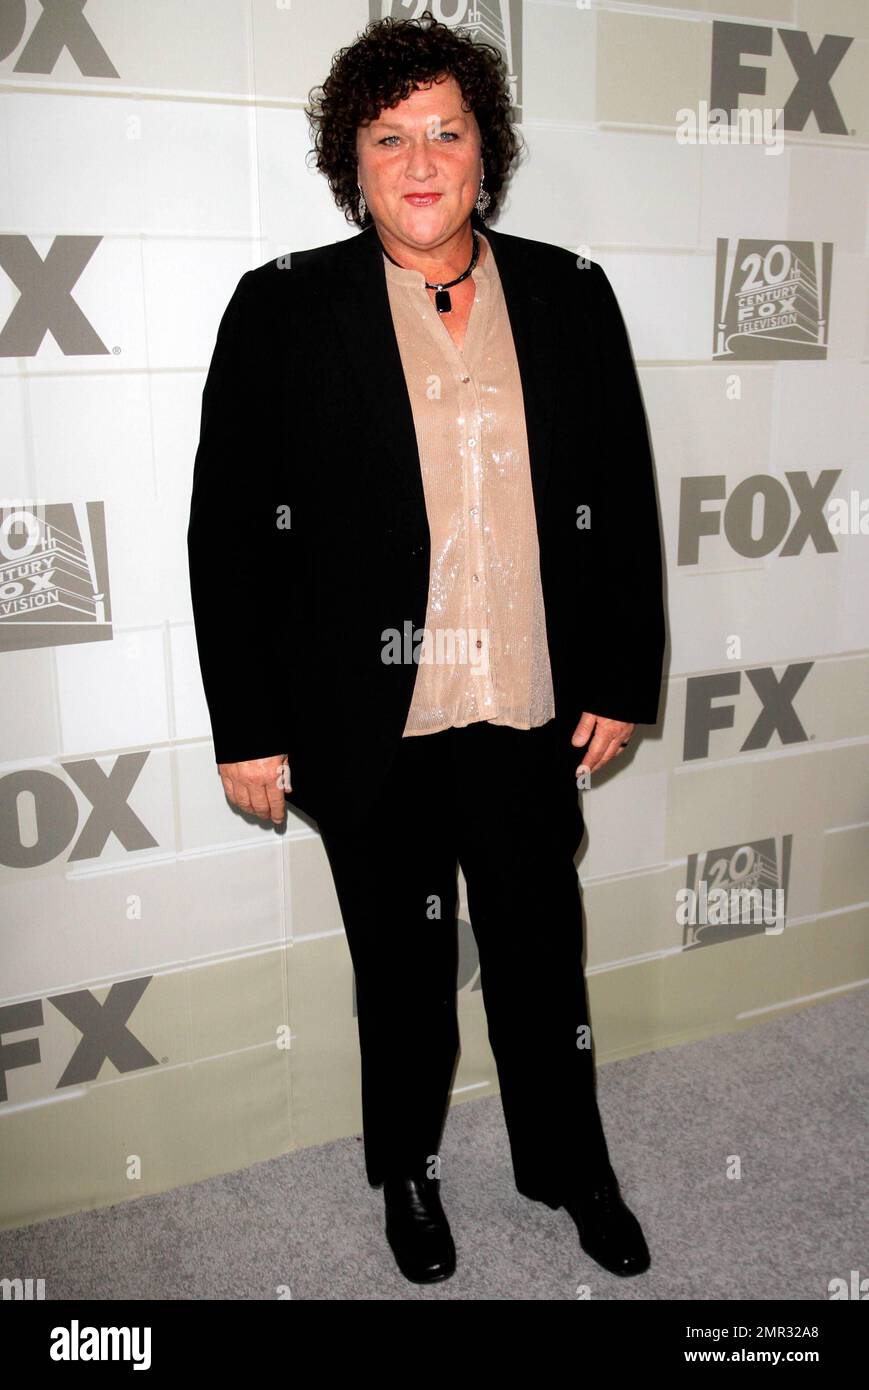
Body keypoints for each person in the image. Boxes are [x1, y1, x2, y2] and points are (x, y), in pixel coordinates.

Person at [187, 10, 665, 1286]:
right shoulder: (282, 309)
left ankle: (571, 1168)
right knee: (398, 980)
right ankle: (407, 1172)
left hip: (518, 710)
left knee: (537, 965)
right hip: (368, 724)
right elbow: (227, 534)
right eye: (387, 135)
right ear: (352, 161)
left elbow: (618, 497)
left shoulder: (567, 293)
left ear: (483, 153)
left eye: (444, 132)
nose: (417, 160)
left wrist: (619, 678)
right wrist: (248, 725)